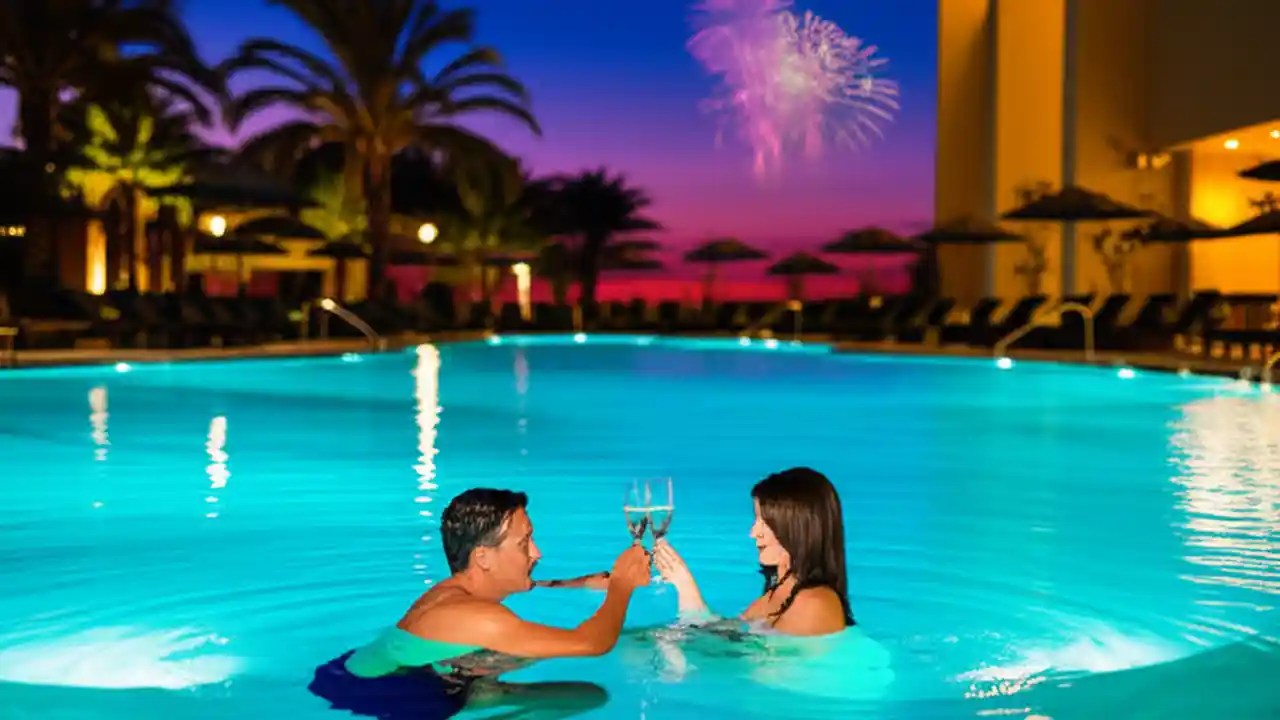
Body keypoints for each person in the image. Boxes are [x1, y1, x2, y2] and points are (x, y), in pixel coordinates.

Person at [309, 488, 650, 718]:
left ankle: (482, 691)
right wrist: (623, 586)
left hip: (373, 672)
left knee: (573, 690)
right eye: (524, 543)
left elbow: (527, 583)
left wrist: (576, 584)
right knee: (588, 695)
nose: (537, 553)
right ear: (483, 558)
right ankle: (482, 696)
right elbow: (593, 642)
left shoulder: (453, 591)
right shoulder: (480, 618)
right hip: (384, 693)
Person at [654, 467, 854, 636]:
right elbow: (725, 635)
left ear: (800, 530)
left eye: (766, 523)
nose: (753, 533)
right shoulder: (778, 593)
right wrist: (684, 583)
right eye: (756, 520)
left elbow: (764, 668)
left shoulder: (815, 605)